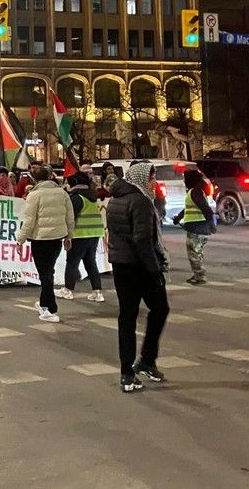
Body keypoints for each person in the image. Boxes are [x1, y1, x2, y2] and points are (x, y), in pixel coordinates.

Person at [106, 161, 170, 393]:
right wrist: (155, 272)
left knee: (127, 316)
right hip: (139, 266)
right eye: (153, 178)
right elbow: (143, 240)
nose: (155, 183)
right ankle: (144, 361)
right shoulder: (140, 201)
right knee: (160, 308)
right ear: (143, 178)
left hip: (120, 265)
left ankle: (128, 370)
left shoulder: (116, 198)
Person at [16, 165, 74, 323]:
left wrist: (20, 240)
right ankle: (44, 303)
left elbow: (29, 221)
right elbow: (70, 217)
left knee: (45, 274)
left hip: (40, 239)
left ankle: (51, 308)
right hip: (57, 238)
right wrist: (69, 236)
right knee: (48, 272)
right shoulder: (62, 193)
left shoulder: (34, 195)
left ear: (35, 179)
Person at [57, 172, 105, 303]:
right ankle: (97, 291)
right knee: (90, 262)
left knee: (72, 261)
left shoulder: (76, 198)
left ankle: (68, 289)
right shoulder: (92, 196)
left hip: (80, 234)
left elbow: (70, 218)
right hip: (95, 233)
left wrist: (67, 236)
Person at [172, 169, 216, 285]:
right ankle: (198, 274)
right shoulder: (197, 191)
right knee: (197, 253)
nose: (184, 181)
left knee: (194, 254)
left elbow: (206, 209)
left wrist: (211, 223)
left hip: (197, 227)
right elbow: (188, 208)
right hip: (200, 227)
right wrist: (178, 218)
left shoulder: (195, 192)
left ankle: (200, 277)